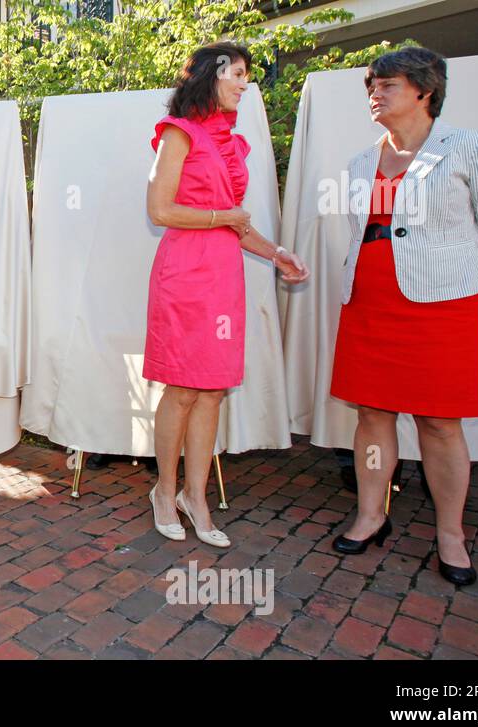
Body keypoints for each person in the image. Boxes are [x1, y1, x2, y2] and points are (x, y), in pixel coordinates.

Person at [329, 47, 478, 586]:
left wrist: (463, 279)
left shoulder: (472, 147)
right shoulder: (359, 162)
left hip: (443, 308)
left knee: (440, 422)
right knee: (371, 414)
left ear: (424, 89)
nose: (374, 92)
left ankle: (451, 535)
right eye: (370, 84)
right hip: (370, 302)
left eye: (386, 83)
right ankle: (372, 516)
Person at [145, 43, 310, 548]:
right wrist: (224, 218)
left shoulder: (231, 142)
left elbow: (238, 225)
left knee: (212, 388)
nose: (244, 84)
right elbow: (160, 210)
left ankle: (197, 497)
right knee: (182, 388)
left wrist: (277, 252)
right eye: (237, 74)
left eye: (246, 76)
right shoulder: (179, 133)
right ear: (210, 77)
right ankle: (164, 490)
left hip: (222, 274)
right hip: (183, 274)